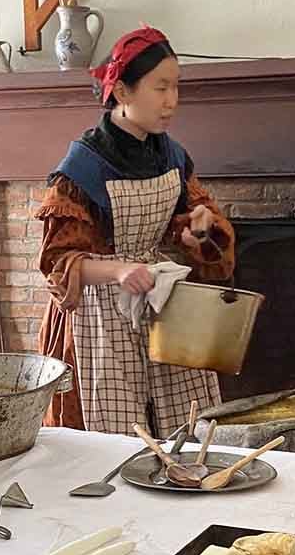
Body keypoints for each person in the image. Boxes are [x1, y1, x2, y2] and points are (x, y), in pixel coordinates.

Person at [36, 25, 235, 437]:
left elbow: (194, 220)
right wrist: (120, 271)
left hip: (160, 303)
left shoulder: (171, 154)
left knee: (187, 430)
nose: (172, 102)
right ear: (123, 92)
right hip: (98, 318)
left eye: (176, 88)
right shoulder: (82, 168)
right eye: (161, 88)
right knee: (114, 443)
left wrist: (199, 228)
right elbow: (58, 262)